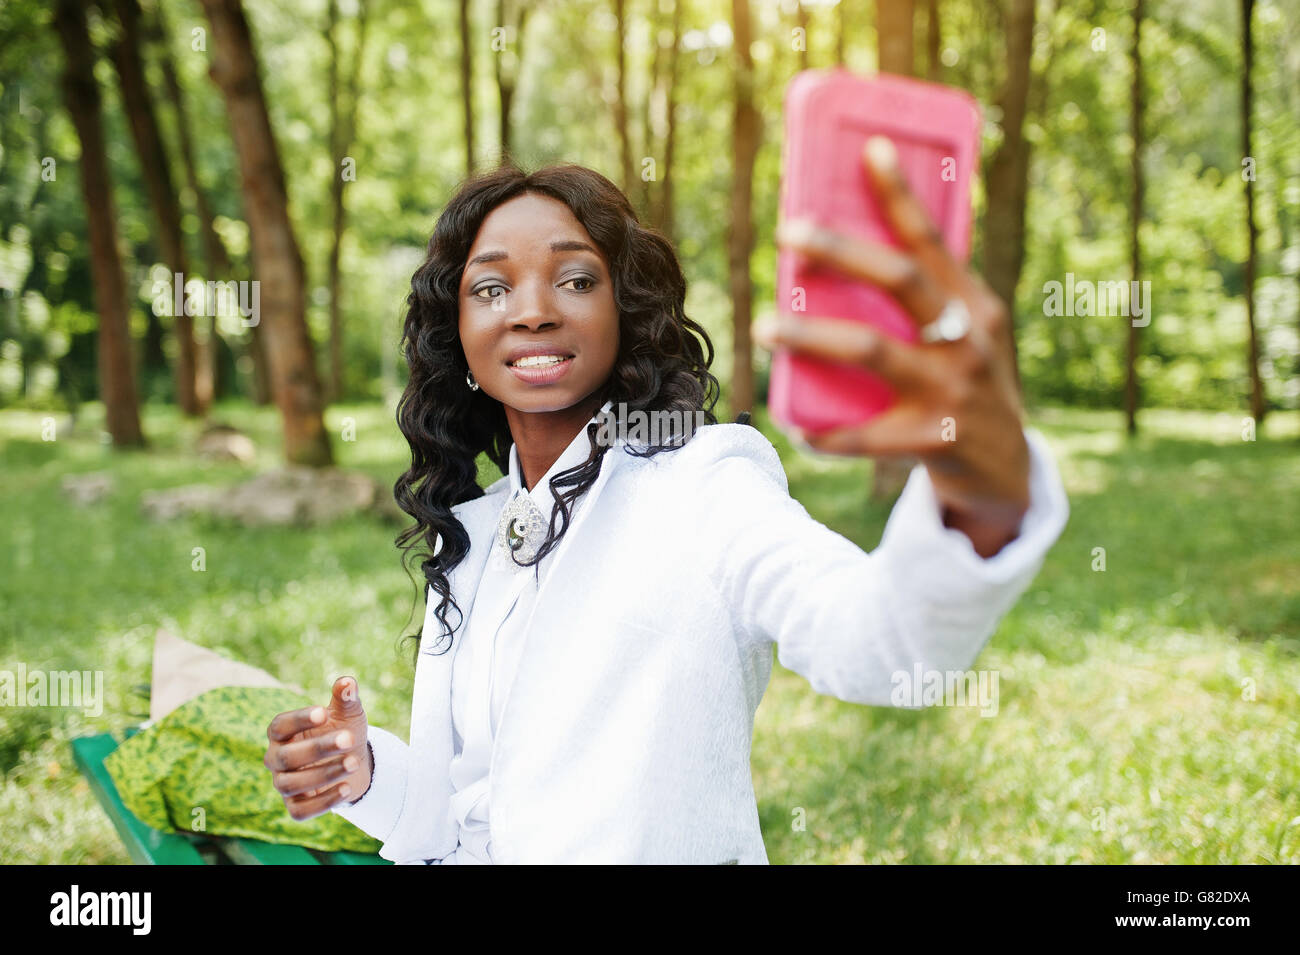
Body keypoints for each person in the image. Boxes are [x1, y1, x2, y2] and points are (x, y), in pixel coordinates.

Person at [264, 141, 1069, 864]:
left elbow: (885, 648)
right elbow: (470, 810)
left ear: (626, 315)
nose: (534, 309)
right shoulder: (474, 534)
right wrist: (367, 769)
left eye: (576, 279)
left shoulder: (707, 486)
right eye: (491, 286)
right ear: (461, 338)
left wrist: (982, 495)